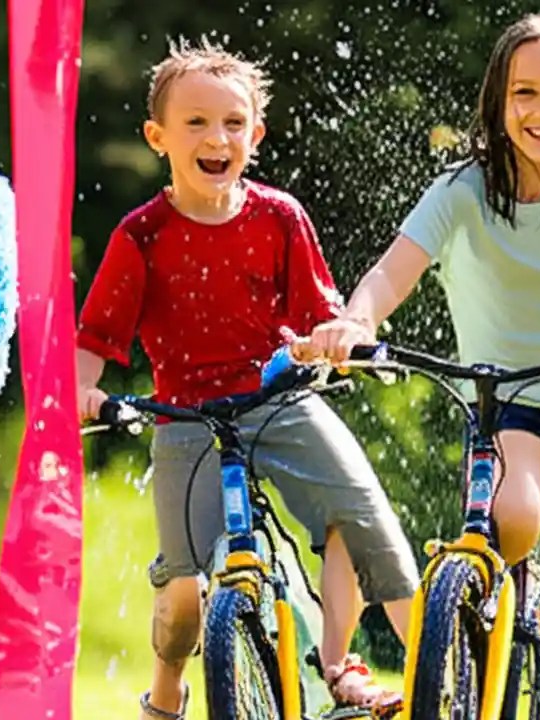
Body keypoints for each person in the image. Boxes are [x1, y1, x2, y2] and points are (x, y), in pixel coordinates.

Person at [292, 14, 540, 712]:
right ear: (498, 100)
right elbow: (390, 273)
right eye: (525, 93)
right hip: (511, 398)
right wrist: (355, 320)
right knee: (513, 510)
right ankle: (489, 619)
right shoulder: (463, 189)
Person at [73, 38, 420, 718]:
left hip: (278, 401)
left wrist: (335, 336)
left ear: (255, 135)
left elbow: (321, 310)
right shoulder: (141, 236)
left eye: (233, 123)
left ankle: (418, 676)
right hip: (187, 418)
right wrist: (83, 392)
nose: (217, 138)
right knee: (182, 594)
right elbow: (96, 339)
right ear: (157, 137)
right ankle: (168, 685)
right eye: (196, 123)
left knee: (359, 511)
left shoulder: (278, 217)